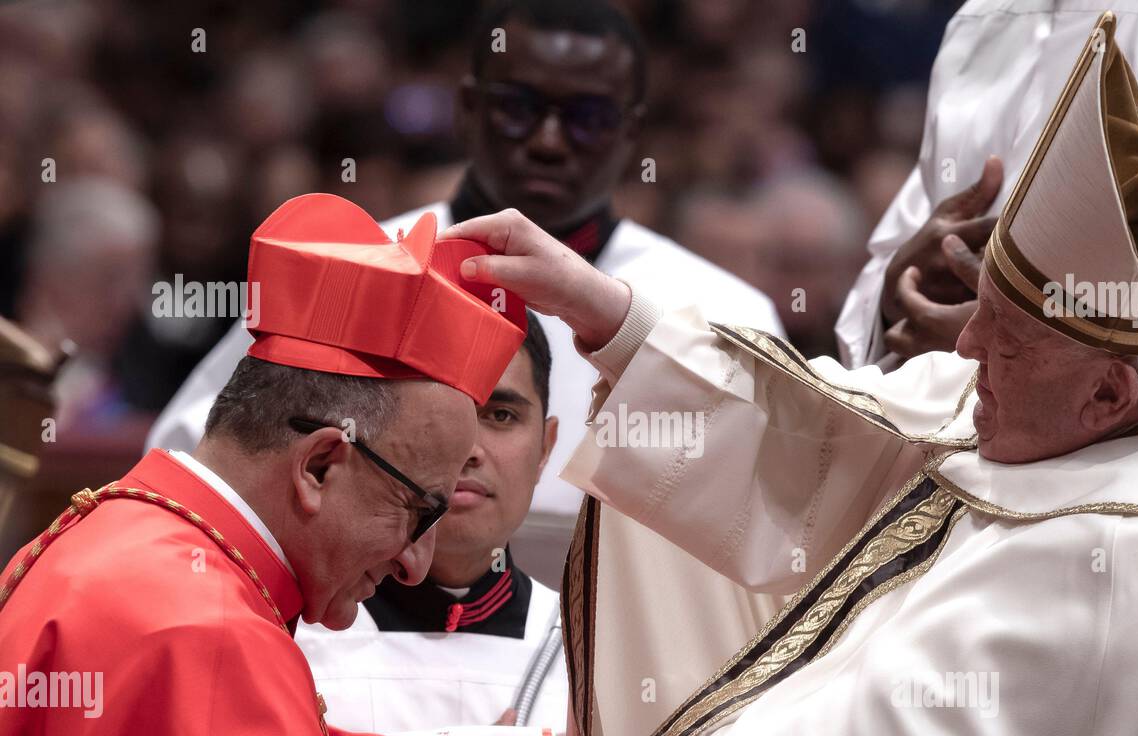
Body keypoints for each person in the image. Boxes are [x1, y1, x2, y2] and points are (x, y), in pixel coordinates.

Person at [441, 14, 1138, 736]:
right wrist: (611, 315)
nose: (961, 348)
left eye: (1001, 332)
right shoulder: (1094, 410)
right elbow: (848, 429)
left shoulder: (1127, 549)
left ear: (1107, 391)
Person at [0, 193, 527, 736]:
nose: (415, 565)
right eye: (421, 512)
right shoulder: (212, 636)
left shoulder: (117, 539)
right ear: (321, 464)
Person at [146, 0, 782, 539]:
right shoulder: (353, 263)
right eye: (520, 107)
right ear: (469, 108)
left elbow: (764, 527)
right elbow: (198, 470)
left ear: (630, 132)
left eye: (587, 117)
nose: (549, 140)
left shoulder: (721, 309)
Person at [835, 0, 1138, 394]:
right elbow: (911, 237)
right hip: (934, 427)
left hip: (1121, 473)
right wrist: (896, 296)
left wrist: (1021, 349)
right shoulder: (985, 13)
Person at [294, 317, 568, 736]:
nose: (468, 448)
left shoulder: (591, 655)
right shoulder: (292, 640)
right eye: (444, 408)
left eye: (501, 415)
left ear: (546, 447)